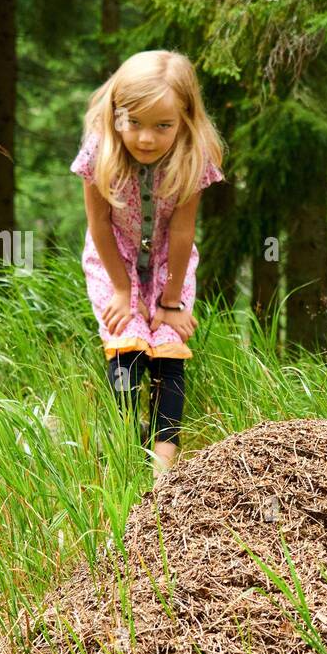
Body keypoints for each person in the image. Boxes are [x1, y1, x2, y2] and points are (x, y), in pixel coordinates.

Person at [71, 50, 226, 477]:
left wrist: (171, 299)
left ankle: (164, 466)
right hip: (113, 257)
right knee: (127, 344)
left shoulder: (192, 159)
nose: (145, 139)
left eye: (163, 126)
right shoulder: (99, 152)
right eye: (133, 123)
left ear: (186, 119)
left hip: (166, 260)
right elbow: (99, 224)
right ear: (115, 113)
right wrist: (124, 291)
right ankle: (124, 446)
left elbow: (181, 232)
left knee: (168, 350)